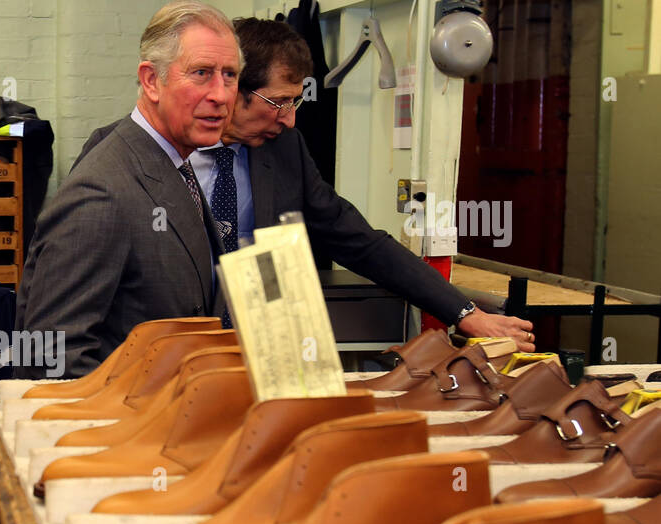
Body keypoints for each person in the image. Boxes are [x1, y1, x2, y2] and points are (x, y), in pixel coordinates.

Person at [75, 17, 536, 355]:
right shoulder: (123, 157)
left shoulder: (284, 150)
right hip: (160, 361)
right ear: (231, 87)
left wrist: (465, 313)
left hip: (266, 354)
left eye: (296, 103)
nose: (290, 119)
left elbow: (358, 239)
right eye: (278, 102)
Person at [16, 1, 238, 377]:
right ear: (152, 81)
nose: (221, 94)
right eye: (201, 73)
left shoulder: (175, 163)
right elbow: (48, 358)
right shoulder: (103, 193)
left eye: (229, 75)